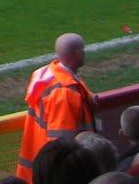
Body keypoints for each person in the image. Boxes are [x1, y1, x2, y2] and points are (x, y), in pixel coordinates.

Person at [15, 32, 97, 182]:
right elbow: (61, 144)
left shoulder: (52, 73)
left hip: (38, 167)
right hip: (56, 175)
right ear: (77, 54)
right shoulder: (64, 94)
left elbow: (75, 85)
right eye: (83, 50)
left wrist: (88, 95)